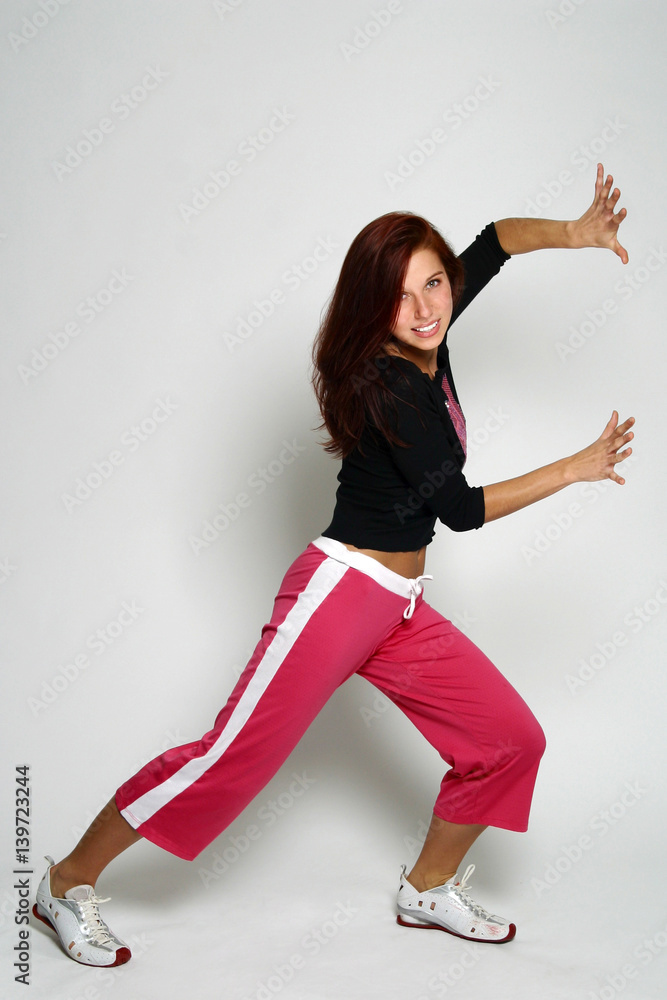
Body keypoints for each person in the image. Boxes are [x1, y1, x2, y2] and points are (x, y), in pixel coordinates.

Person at [33, 163, 633, 965]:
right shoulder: (389, 386)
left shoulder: (432, 331)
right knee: (226, 760)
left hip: (400, 606)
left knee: (509, 739)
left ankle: (426, 888)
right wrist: (574, 467)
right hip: (339, 594)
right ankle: (63, 884)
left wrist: (574, 232)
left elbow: (492, 243)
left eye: (433, 285)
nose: (424, 309)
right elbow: (456, 511)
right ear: (372, 306)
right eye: (401, 296)